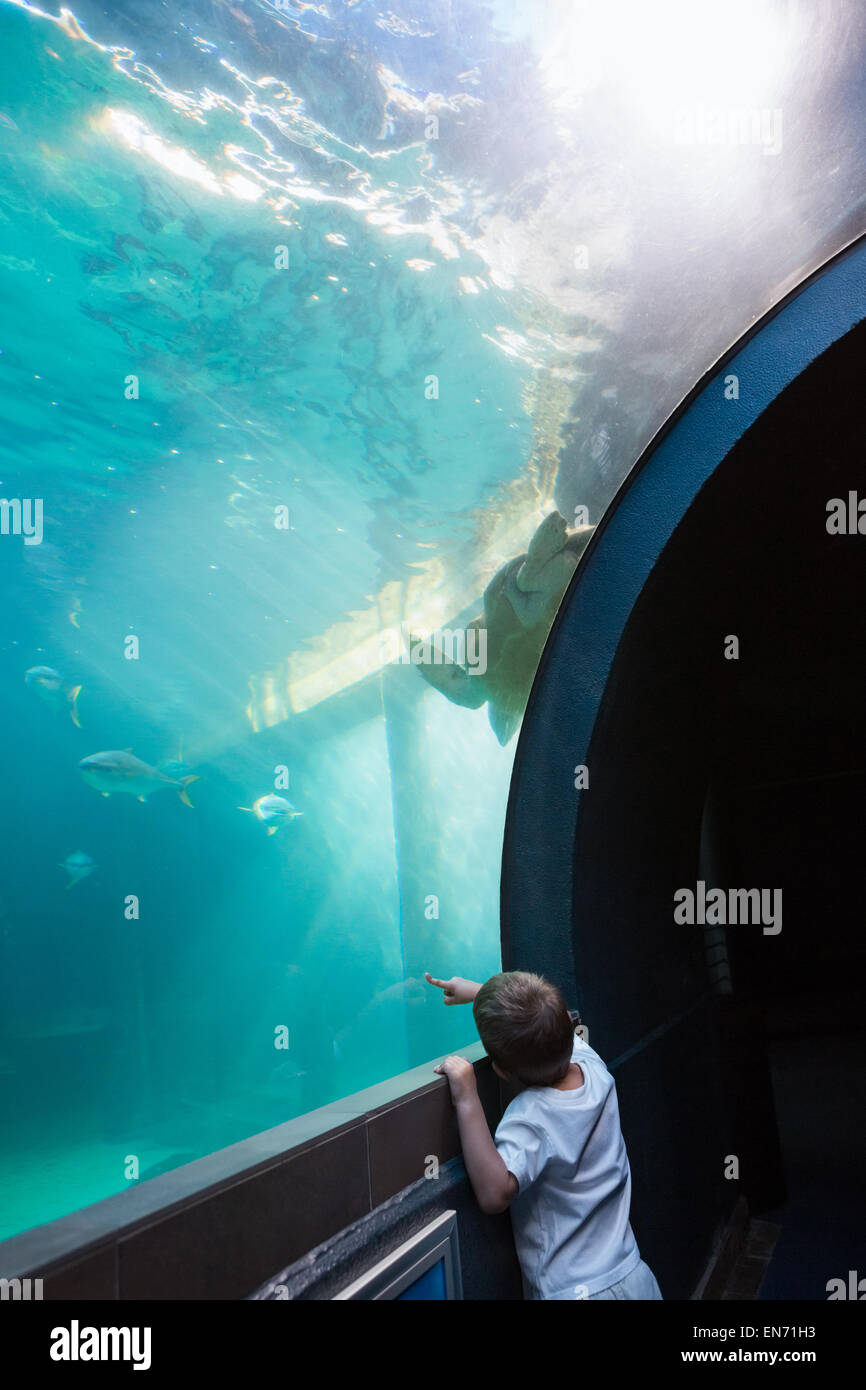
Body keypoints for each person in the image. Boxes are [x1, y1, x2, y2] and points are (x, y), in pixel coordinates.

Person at [427, 969, 662, 1301]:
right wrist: (481, 994)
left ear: (500, 1071)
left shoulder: (530, 1117)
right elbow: (550, 1023)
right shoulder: (593, 1067)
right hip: (631, 1275)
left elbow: (495, 1194)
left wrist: (466, 1096)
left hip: (574, 1292)